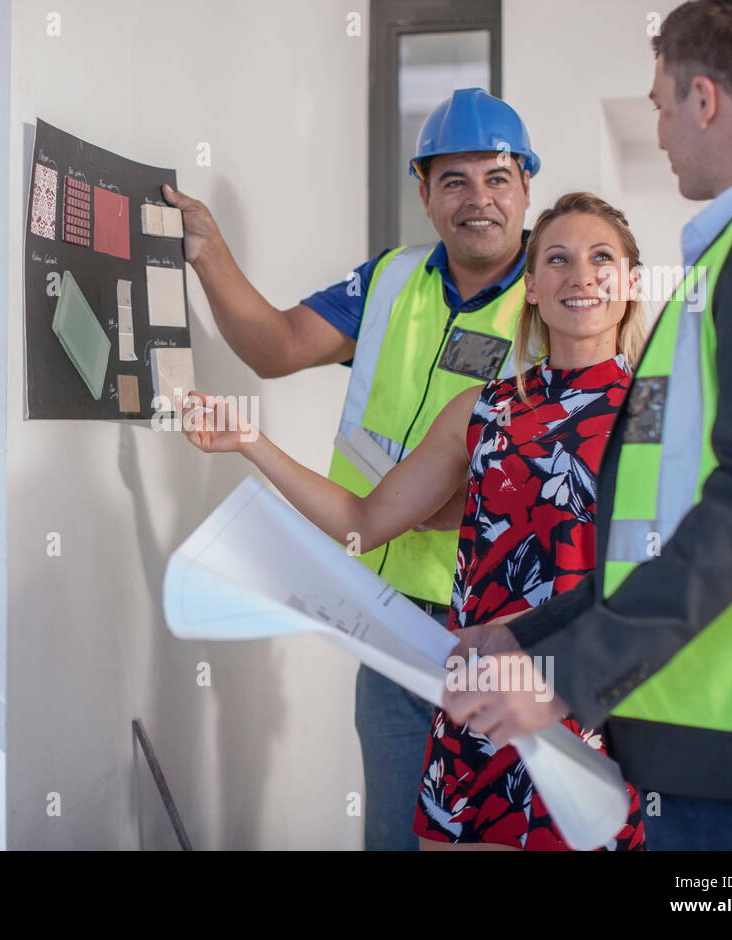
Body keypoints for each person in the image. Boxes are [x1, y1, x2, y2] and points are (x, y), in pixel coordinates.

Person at [444, 0, 732, 851]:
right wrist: (525, 630)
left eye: (663, 103)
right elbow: (666, 534)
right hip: (722, 724)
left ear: (704, 99)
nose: (660, 127)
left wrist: (568, 674)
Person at [180, 192, 649, 850]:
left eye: (602, 258)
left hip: (585, 708)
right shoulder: (480, 411)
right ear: (533, 288)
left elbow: (674, 579)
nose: (580, 274)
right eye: (558, 259)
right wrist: (251, 441)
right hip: (475, 707)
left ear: (630, 283)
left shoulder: (661, 412)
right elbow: (363, 521)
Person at [164, 89, 540, 849]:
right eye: (454, 181)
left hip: (500, 625)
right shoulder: (392, 281)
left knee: (499, 834)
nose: (479, 200)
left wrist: (442, 506)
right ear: (426, 196)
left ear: (527, 187)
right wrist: (207, 252)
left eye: (497, 178)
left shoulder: (556, 297)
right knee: (396, 829)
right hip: (386, 612)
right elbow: (274, 346)